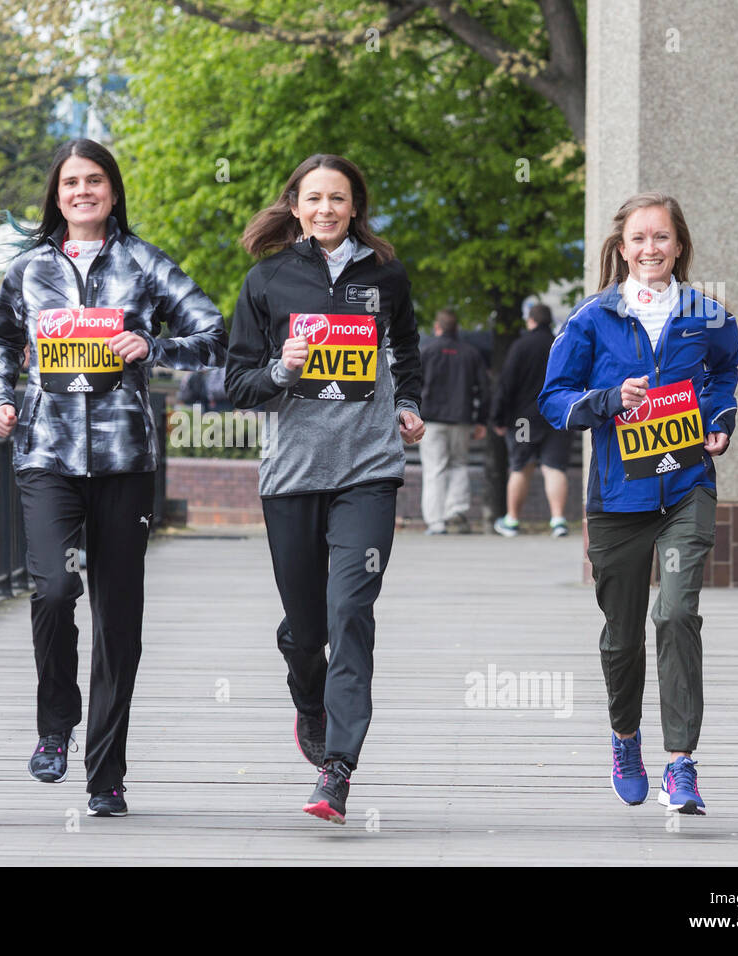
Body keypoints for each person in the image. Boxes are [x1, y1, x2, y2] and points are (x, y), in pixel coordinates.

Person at [0, 138, 226, 818]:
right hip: (46, 456)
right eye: (70, 183)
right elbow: (3, 342)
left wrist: (154, 345)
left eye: (95, 181)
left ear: (113, 192)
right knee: (56, 588)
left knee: (118, 618)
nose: (83, 192)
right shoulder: (30, 269)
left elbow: (213, 332)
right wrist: (1, 402)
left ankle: (106, 774)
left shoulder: (143, 263)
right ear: (56, 196)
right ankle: (55, 727)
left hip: (124, 462)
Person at [225, 154, 424, 824]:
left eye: (339, 199)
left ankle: (337, 769)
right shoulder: (268, 279)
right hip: (292, 475)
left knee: (350, 616)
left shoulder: (386, 276)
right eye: (315, 199)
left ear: (355, 206)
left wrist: (411, 403)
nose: (327, 210)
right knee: (308, 630)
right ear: (296, 205)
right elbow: (237, 384)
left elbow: (407, 352)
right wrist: (281, 370)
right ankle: (306, 695)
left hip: (368, 469)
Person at [539, 192, 738, 815]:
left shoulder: (708, 315)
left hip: (687, 486)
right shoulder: (591, 318)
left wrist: (719, 419)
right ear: (621, 248)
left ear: (679, 245)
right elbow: (554, 399)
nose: (650, 249)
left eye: (661, 238)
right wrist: (607, 399)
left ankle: (682, 764)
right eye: (638, 239)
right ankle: (626, 739)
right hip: (619, 498)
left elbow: (725, 373)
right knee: (622, 638)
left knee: (676, 614)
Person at [491, 303, 571, 537]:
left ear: (531, 320)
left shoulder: (521, 346)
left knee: (520, 466)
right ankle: (558, 520)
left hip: (524, 420)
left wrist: (498, 417)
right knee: (554, 467)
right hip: (556, 417)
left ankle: (512, 521)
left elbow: (506, 384)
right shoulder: (560, 344)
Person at [417, 308, 488, 534]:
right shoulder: (471, 353)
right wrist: (481, 420)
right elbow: (484, 390)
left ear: (437, 327)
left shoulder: (426, 351)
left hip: (431, 420)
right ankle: (456, 509)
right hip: (461, 419)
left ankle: (436, 522)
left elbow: (412, 385)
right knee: (458, 464)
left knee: (434, 468)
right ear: (456, 328)